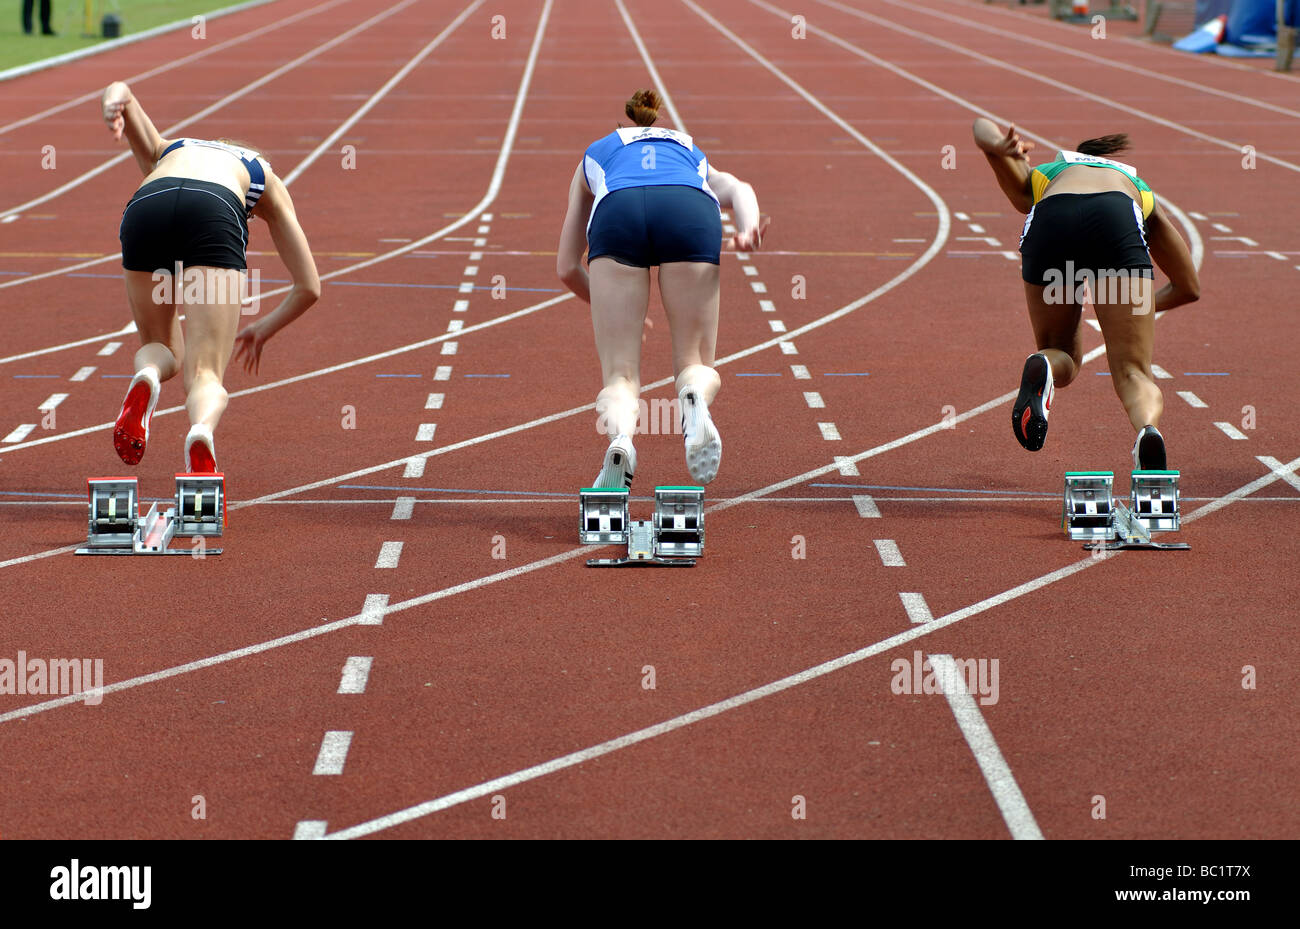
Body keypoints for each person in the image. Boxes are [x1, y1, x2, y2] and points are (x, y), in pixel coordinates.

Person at [101, 80, 319, 472]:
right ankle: (200, 429)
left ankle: (148, 374)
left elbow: (123, 92)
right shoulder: (262, 176)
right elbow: (308, 286)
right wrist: (263, 328)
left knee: (160, 346)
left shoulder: (173, 148)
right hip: (213, 210)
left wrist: (112, 103)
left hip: (148, 203)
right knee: (204, 371)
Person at [556, 89, 767, 489]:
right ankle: (693, 395)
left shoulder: (595, 154)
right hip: (687, 208)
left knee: (620, 374)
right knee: (695, 362)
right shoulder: (689, 149)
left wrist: (604, 303)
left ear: (625, 128)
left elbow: (566, 267)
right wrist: (746, 227)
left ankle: (621, 439)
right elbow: (740, 188)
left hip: (619, 210)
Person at [972, 118, 1200, 470]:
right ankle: (1147, 431)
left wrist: (1002, 146)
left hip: (1054, 219)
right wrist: (1124, 311)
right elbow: (1188, 287)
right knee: (1133, 372)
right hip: (1116, 217)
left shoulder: (1047, 174)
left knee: (1061, 351)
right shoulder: (1138, 188)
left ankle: (1045, 365)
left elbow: (980, 127)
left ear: (1074, 158)